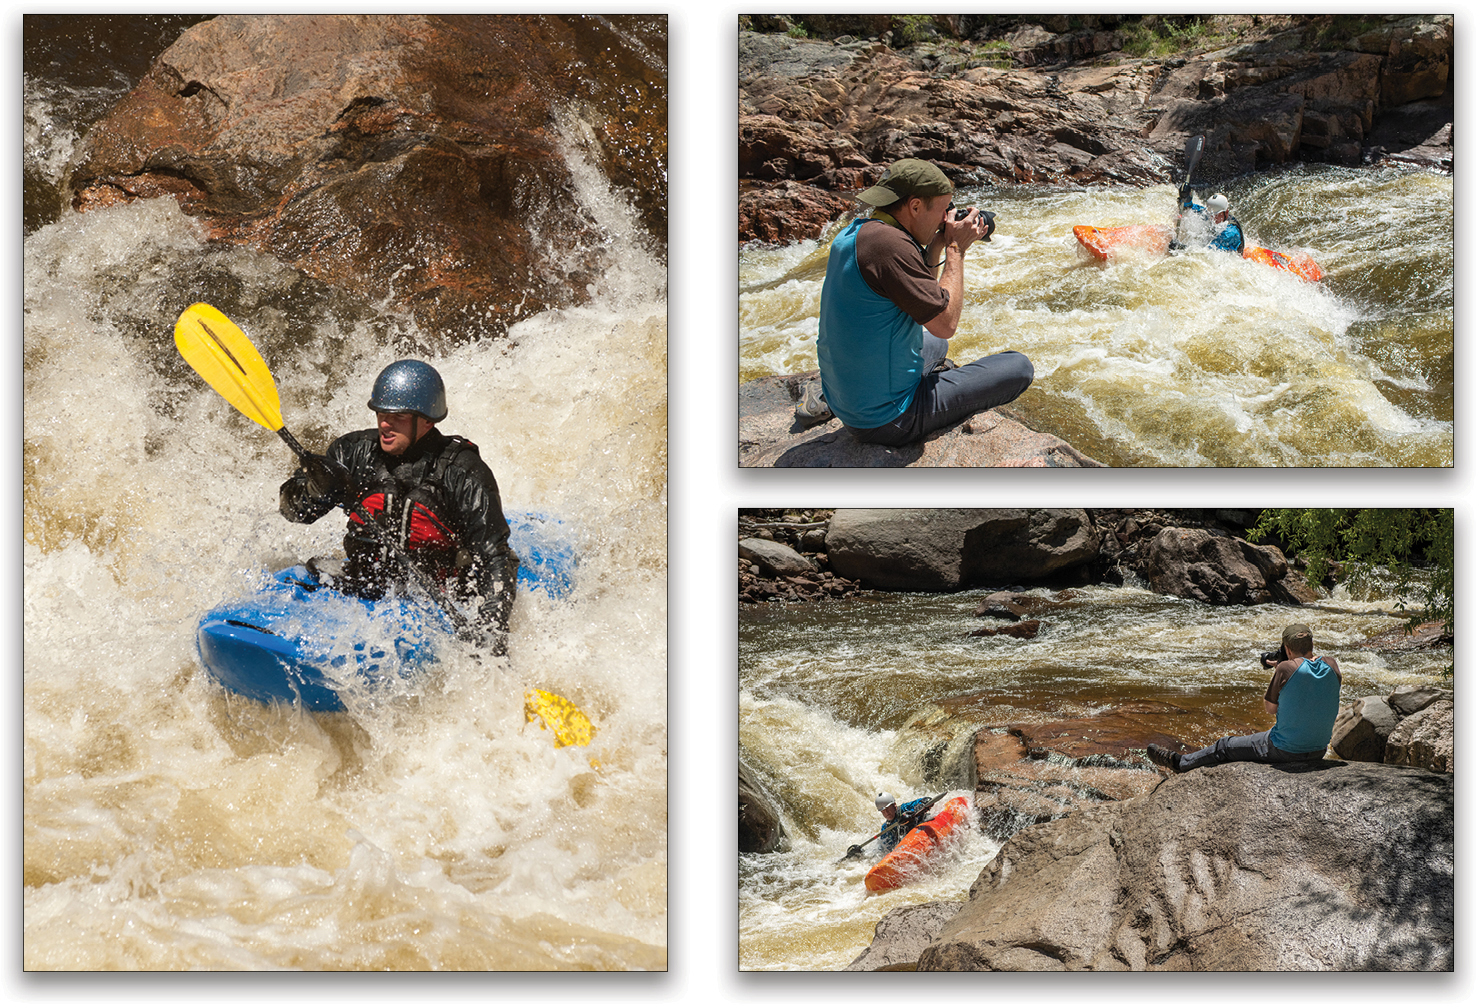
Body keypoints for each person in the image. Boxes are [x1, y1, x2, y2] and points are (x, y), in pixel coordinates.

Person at [279, 359, 520, 655]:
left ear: (428, 419)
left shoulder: (464, 472)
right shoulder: (350, 453)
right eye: (381, 413)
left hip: (433, 598)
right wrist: (316, 489)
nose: (384, 423)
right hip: (363, 585)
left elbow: (495, 558)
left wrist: (491, 631)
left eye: (399, 416)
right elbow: (294, 512)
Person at [798, 157, 1034, 446]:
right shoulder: (891, 247)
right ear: (915, 206)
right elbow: (945, 323)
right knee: (1018, 367)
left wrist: (934, 246)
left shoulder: (859, 232)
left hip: (848, 398)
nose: (946, 217)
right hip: (888, 419)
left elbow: (921, 299)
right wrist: (955, 248)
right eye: (943, 208)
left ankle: (826, 397)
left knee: (935, 346)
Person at [1147, 623, 1342, 774]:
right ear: (1312, 644)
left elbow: (1270, 708)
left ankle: (1179, 763)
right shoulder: (1332, 664)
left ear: (1287, 649)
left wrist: (1280, 673)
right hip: (1318, 750)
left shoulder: (1285, 669)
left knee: (1224, 746)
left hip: (1285, 750)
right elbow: (1315, 694)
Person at [1175, 189, 1245, 253]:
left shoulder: (1230, 232)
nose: (1213, 218)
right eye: (1211, 214)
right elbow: (1194, 208)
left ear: (1226, 212)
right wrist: (1186, 200)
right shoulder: (1212, 215)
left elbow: (1207, 252)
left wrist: (1182, 248)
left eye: (1217, 215)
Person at [874, 792, 939, 853]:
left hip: (921, 829)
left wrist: (916, 810)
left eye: (888, 809)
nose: (887, 813)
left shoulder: (904, 808)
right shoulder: (885, 828)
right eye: (883, 811)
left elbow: (927, 800)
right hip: (909, 844)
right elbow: (885, 848)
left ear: (894, 805)